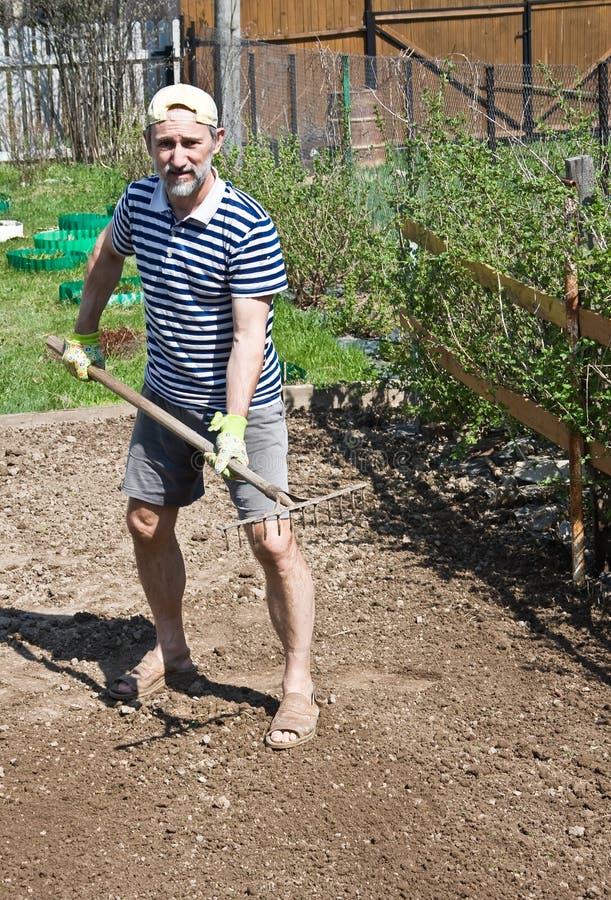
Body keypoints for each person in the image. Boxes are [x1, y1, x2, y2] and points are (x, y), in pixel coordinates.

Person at [62, 84, 318, 750]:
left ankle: (296, 686)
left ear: (217, 144)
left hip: (245, 402)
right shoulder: (138, 201)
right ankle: (171, 655)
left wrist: (231, 426)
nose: (177, 157)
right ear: (151, 146)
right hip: (166, 392)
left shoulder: (245, 223)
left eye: (190, 143)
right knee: (145, 519)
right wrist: (85, 334)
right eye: (165, 143)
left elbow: (248, 337)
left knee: (273, 541)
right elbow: (106, 257)